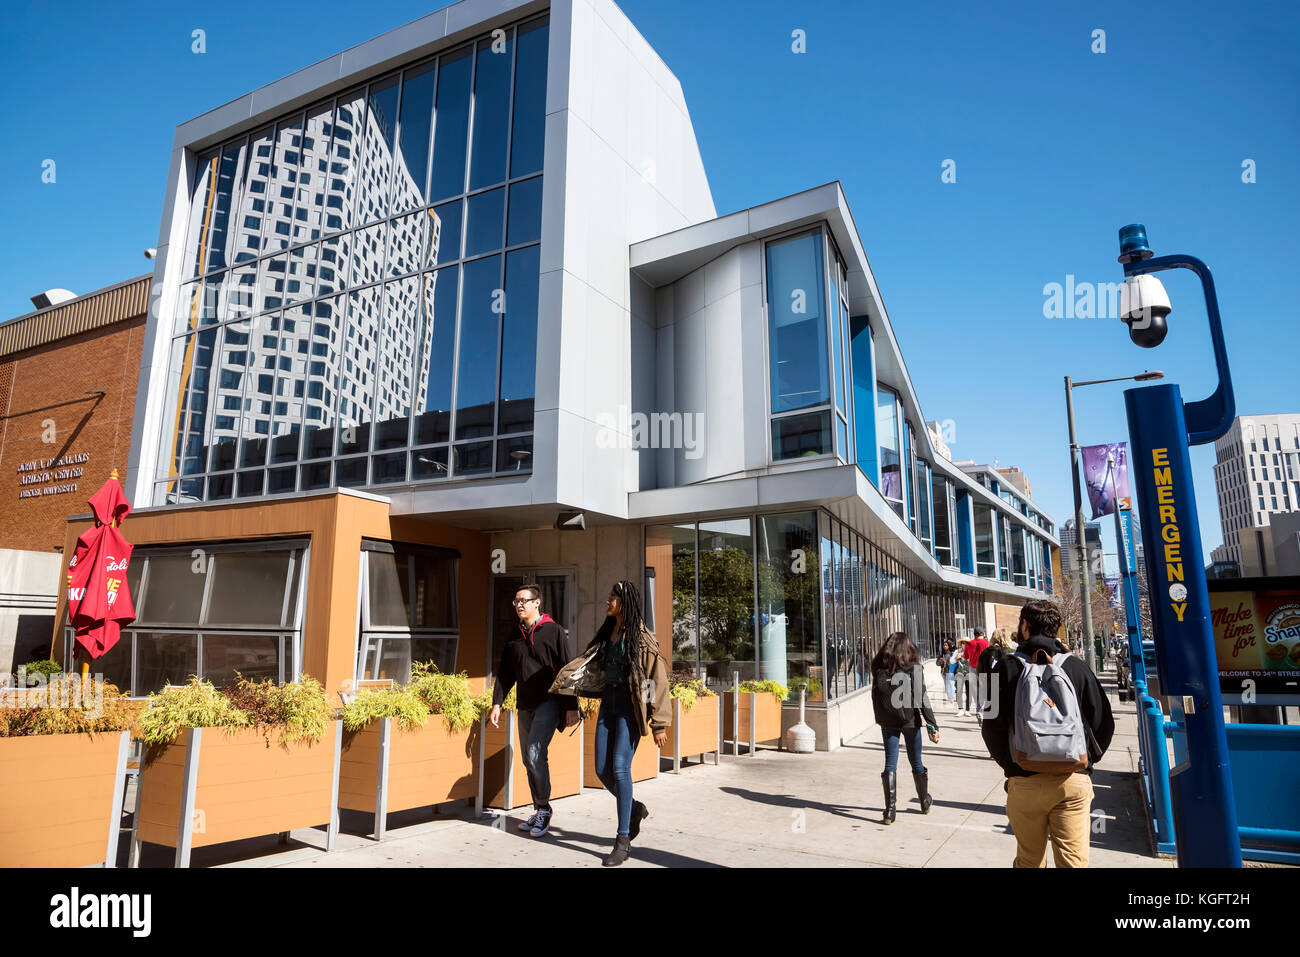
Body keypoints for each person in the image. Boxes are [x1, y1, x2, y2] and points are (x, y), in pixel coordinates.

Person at [980, 599, 1115, 868]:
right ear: (1057, 629)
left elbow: (990, 727)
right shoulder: (1077, 668)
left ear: (1025, 626)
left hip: (1025, 781)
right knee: (1073, 863)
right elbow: (1103, 721)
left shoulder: (1003, 669)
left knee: (1029, 861)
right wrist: (1086, 761)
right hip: (1072, 781)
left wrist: (1011, 766)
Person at [561, 579, 670, 866]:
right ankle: (634, 808)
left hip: (629, 707)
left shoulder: (642, 639)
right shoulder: (608, 632)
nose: (607, 601)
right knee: (600, 769)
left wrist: (658, 722)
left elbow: (654, 681)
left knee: (621, 769)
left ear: (625, 603)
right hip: (608, 704)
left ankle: (622, 840)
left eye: (612, 597)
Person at [489, 584, 578, 838]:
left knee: (535, 752)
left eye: (524, 601)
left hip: (549, 701)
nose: (519, 605)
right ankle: (539, 807)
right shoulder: (514, 635)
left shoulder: (554, 631)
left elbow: (567, 669)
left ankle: (544, 809)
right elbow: (506, 673)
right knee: (529, 759)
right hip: (524, 703)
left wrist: (571, 707)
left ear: (537, 603)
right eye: (516, 601)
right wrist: (497, 703)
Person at [871, 632, 940, 824]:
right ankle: (924, 802)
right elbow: (922, 699)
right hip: (910, 721)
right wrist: (932, 724)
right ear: (909, 648)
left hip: (887, 722)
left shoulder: (880, 669)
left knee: (890, 764)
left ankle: (890, 811)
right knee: (916, 762)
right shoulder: (914, 669)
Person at [954, 636, 974, 715]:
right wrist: (956, 658)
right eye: (963, 643)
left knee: (969, 692)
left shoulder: (972, 651)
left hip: (969, 673)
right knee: (959, 691)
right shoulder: (957, 651)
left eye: (966, 643)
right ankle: (960, 709)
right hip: (960, 673)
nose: (964, 644)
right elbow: (951, 661)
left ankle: (967, 710)